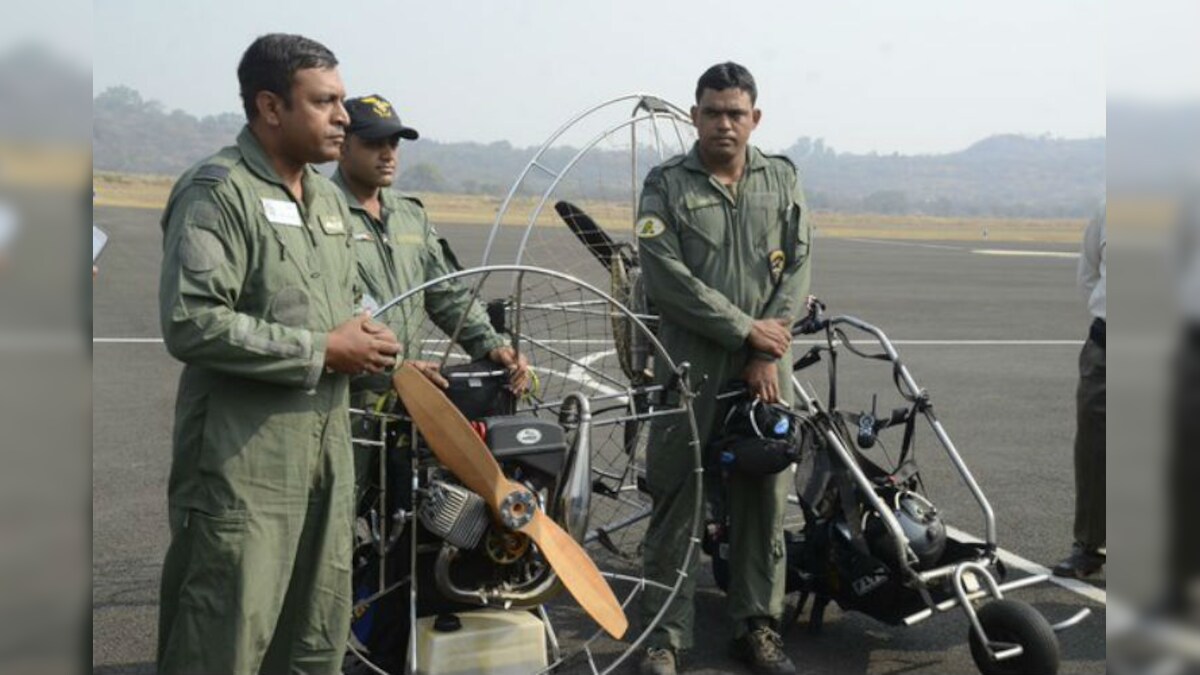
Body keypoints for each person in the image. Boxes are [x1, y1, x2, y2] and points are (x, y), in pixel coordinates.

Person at [156, 34, 402, 675]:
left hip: (328, 456)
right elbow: (191, 321)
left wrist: (374, 343)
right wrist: (322, 350)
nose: (344, 117)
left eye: (341, 101)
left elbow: (347, 305)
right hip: (246, 467)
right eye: (325, 102)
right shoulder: (219, 191)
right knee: (226, 632)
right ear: (270, 107)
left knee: (314, 633)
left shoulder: (325, 200)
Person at [332, 93, 528, 672]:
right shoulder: (320, 212)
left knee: (411, 533)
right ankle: (321, 648)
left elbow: (445, 294)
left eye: (394, 141)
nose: (388, 152)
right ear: (342, 143)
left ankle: (393, 645)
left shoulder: (411, 216)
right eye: (373, 141)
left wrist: (490, 343)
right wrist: (391, 364)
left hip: (415, 411)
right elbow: (330, 307)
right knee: (336, 533)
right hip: (345, 407)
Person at [635, 62, 812, 675]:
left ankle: (757, 626)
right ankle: (664, 636)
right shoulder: (665, 185)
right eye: (712, 112)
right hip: (690, 366)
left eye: (736, 113)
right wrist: (744, 330)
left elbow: (799, 269)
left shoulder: (781, 179)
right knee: (677, 497)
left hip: (765, 369)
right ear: (695, 116)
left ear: (754, 118)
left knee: (764, 497)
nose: (724, 124)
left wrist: (766, 350)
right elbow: (665, 278)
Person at [1053, 202, 1106, 579]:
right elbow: (1088, 275)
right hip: (1108, 347)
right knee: (1093, 448)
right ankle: (1089, 545)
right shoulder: (1110, 209)